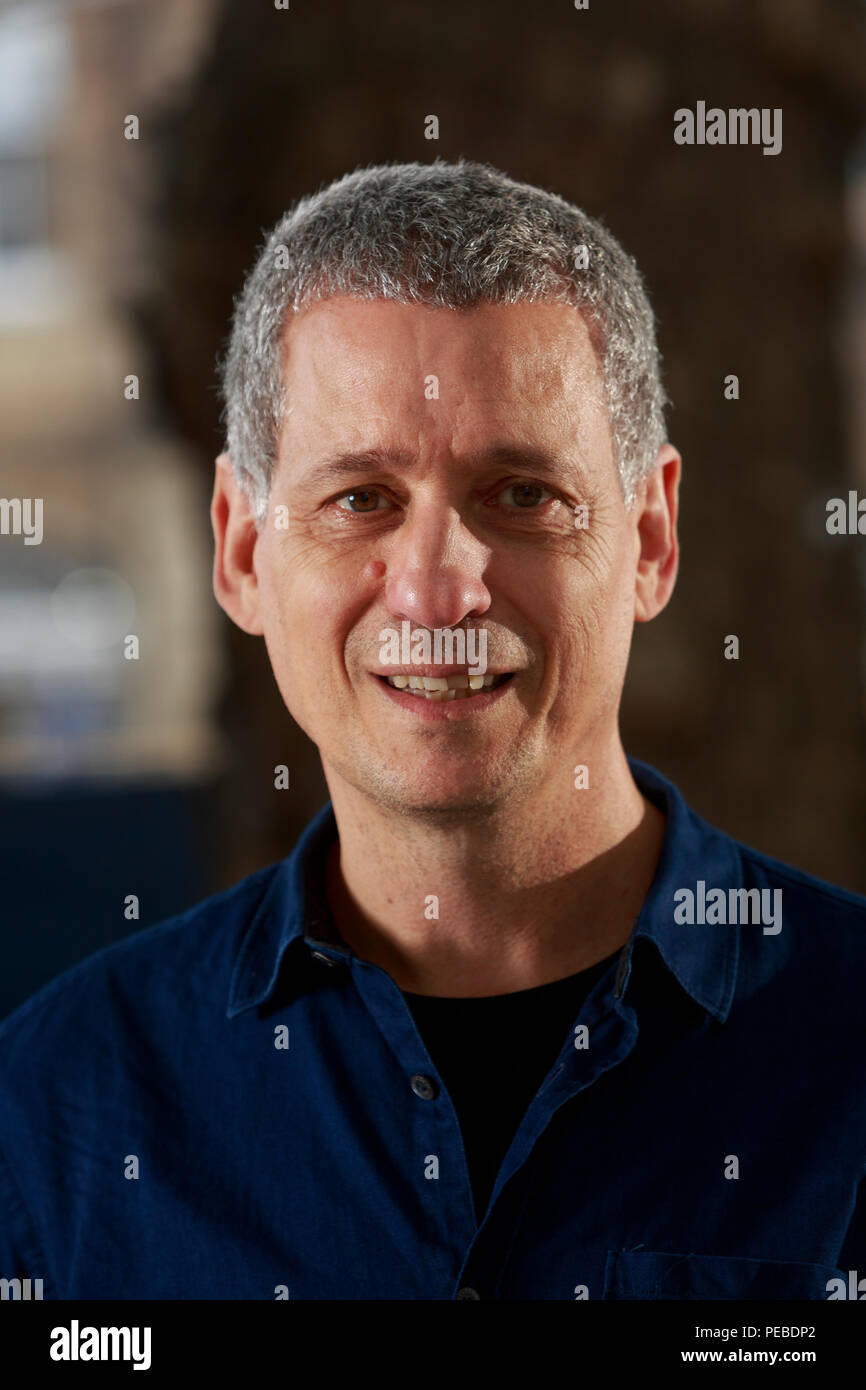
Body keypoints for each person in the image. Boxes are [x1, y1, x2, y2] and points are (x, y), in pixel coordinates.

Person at [1, 160, 863, 1302]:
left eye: (519, 493)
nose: (435, 589)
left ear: (650, 538)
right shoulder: (56, 1108)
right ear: (242, 551)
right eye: (360, 498)